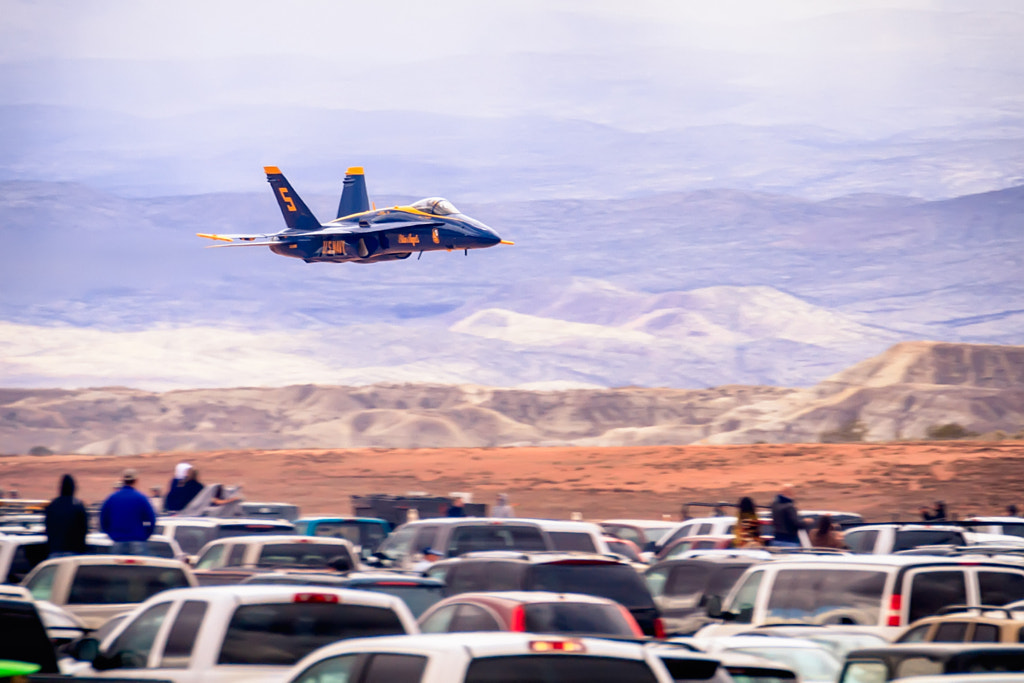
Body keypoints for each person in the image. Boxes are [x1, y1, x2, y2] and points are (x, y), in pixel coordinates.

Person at [100, 469, 156, 555]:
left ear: (123, 480)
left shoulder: (112, 498)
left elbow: (103, 520)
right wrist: (145, 535)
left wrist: (111, 534)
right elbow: (151, 520)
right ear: (136, 480)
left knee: (118, 568)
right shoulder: (142, 498)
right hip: (138, 542)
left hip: (118, 542)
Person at [44, 474, 88, 558]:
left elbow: (47, 527)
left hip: (55, 552)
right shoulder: (78, 506)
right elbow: (84, 529)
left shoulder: (52, 505)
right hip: (74, 553)